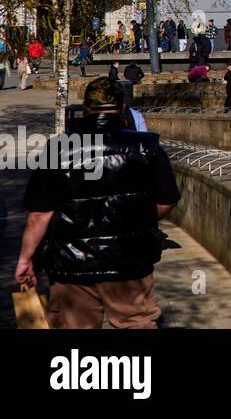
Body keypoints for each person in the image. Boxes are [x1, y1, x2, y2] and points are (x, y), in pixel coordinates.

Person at [15, 78, 180, 328]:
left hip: (71, 264)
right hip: (129, 262)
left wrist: (26, 259)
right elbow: (167, 200)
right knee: (137, 322)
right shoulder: (147, 146)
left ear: (85, 108)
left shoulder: (57, 149)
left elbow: (40, 214)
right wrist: (134, 220)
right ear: (123, 108)